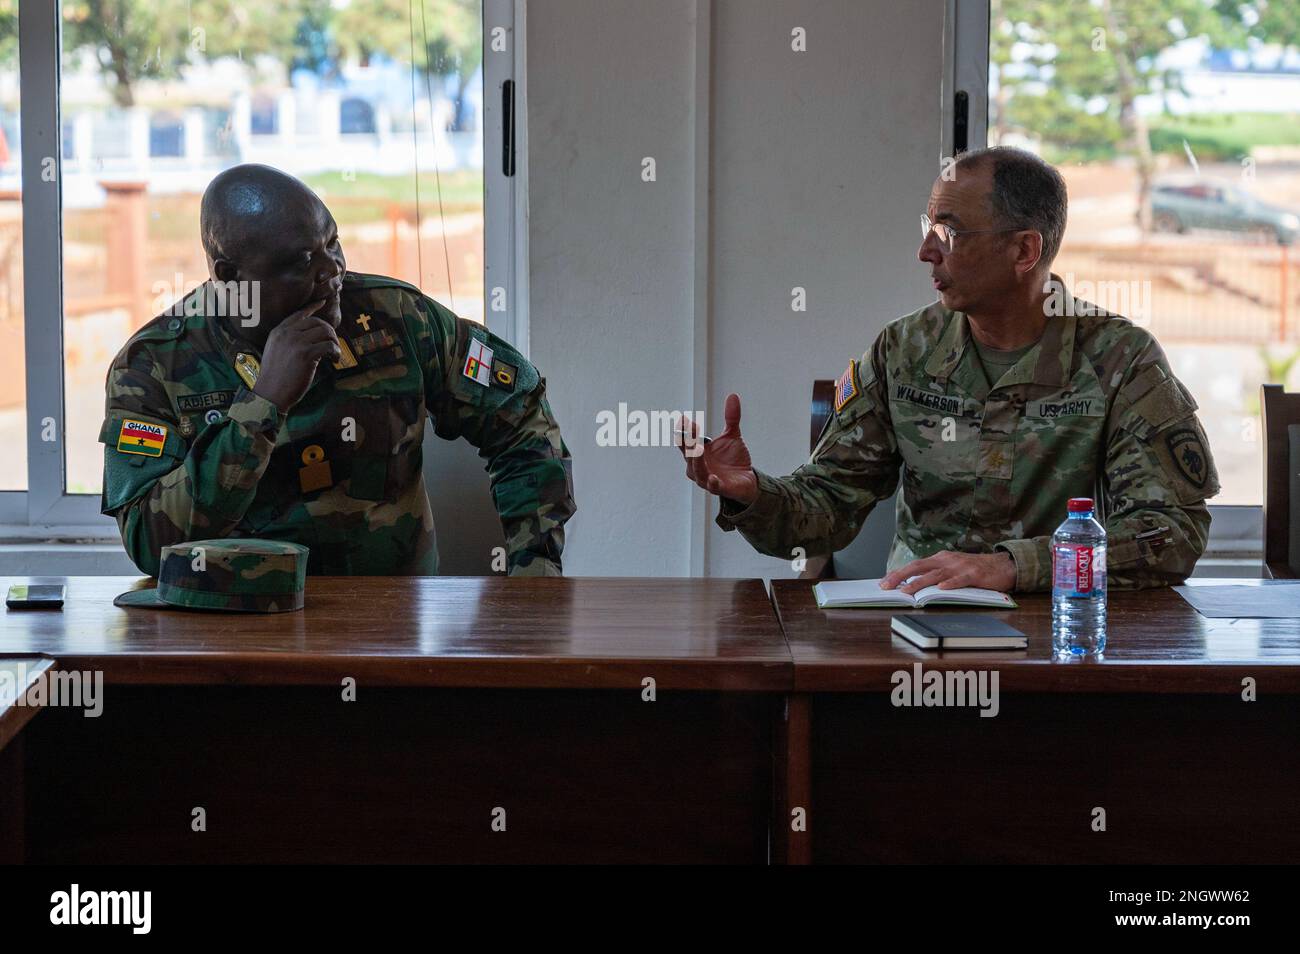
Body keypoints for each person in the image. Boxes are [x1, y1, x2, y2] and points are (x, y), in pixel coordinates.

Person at [679, 146, 1218, 593]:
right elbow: (827, 507)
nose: (925, 251)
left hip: (1055, 632)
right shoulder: (904, 349)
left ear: (1025, 250)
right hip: (914, 626)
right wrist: (751, 492)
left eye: (951, 231)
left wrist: (1013, 566)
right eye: (928, 225)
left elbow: (1170, 535)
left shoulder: (1120, 360)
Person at [101, 163, 574, 577]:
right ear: (229, 275)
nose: (332, 273)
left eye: (332, 243)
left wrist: (535, 573)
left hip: (392, 630)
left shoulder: (395, 319)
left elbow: (522, 418)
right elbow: (148, 540)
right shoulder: (155, 364)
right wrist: (264, 404)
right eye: (302, 262)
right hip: (238, 636)